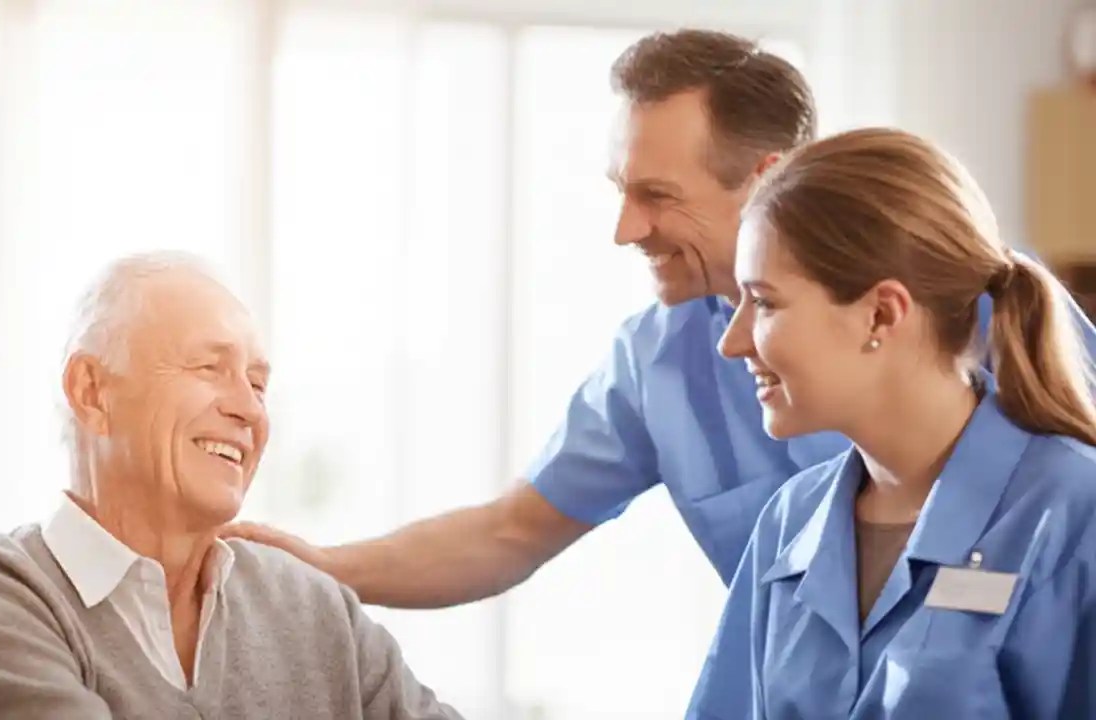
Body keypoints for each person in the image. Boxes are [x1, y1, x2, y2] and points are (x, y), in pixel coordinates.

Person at [224, 29, 1096, 606]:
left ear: (769, 181)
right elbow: (510, 531)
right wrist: (327, 574)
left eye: (657, 196)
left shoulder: (988, 318)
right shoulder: (663, 363)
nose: (623, 230)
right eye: (619, 191)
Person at [0, 254, 463, 720]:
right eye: (210, 368)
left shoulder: (315, 608)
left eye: (258, 384)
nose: (248, 410)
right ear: (91, 392)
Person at [688, 128, 1096, 718]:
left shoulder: (1074, 515)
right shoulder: (789, 521)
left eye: (766, 302)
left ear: (881, 312)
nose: (732, 341)